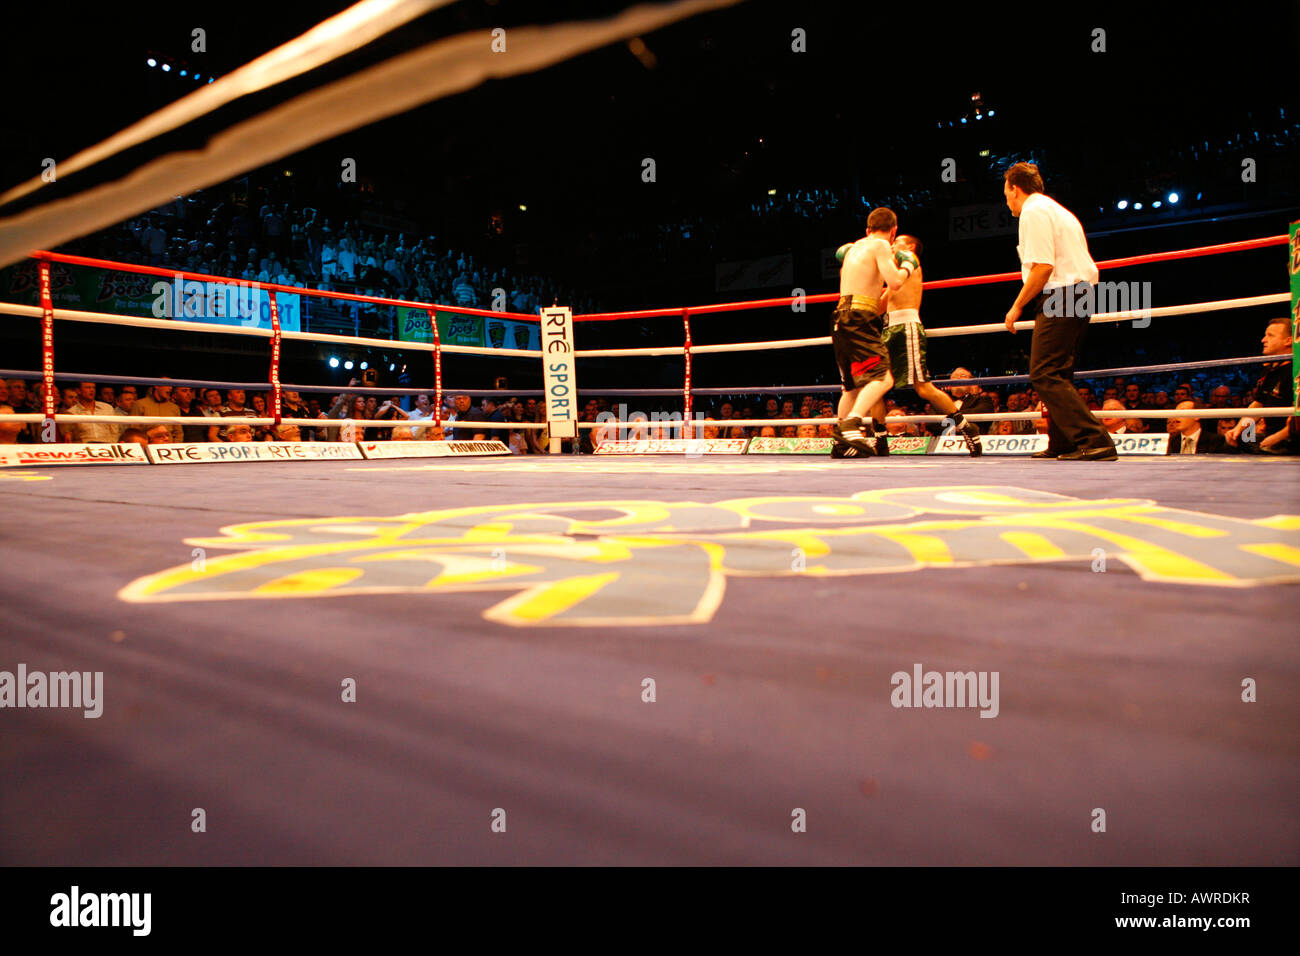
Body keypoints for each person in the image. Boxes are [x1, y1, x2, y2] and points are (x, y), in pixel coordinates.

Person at [1001, 162, 1116, 460]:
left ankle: (1096, 440)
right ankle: (1065, 443)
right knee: (1060, 373)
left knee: (1044, 372)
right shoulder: (1055, 209)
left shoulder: (1033, 211)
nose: (1006, 200)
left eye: (1005, 192)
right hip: (1079, 292)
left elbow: (1043, 267)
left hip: (1062, 293)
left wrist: (1016, 306)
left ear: (1015, 188)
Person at [866, 234, 981, 455]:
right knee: (875, 386)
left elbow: (895, 255)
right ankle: (880, 439)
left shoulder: (909, 258)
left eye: (898, 240)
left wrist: (875, 249)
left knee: (923, 387)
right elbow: (879, 308)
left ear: (910, 247)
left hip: (906, 327)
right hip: (888, 329)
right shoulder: (896, 274)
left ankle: (967, 426)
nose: (893, 243)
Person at [829, 208, 909, 458]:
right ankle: (852, 424)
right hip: (860, 318)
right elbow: (894, 282)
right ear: (893, 231)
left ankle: (841, 444)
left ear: (867, 229)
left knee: (850, 387)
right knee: (884, 378)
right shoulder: (881, 245)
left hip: (840, 318)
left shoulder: (854, 247)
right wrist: (907, 265)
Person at [1224, 317, 1293, 454]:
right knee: (1231, 442)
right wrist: (1238, 430)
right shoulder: (1269, 369)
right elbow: (1258, 404)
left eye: (1270, 336)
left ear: (1288, 340)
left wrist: (1276, 438)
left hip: (1290, 438)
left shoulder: (1295, 371)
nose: (1263, 340)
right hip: (1272, 436)